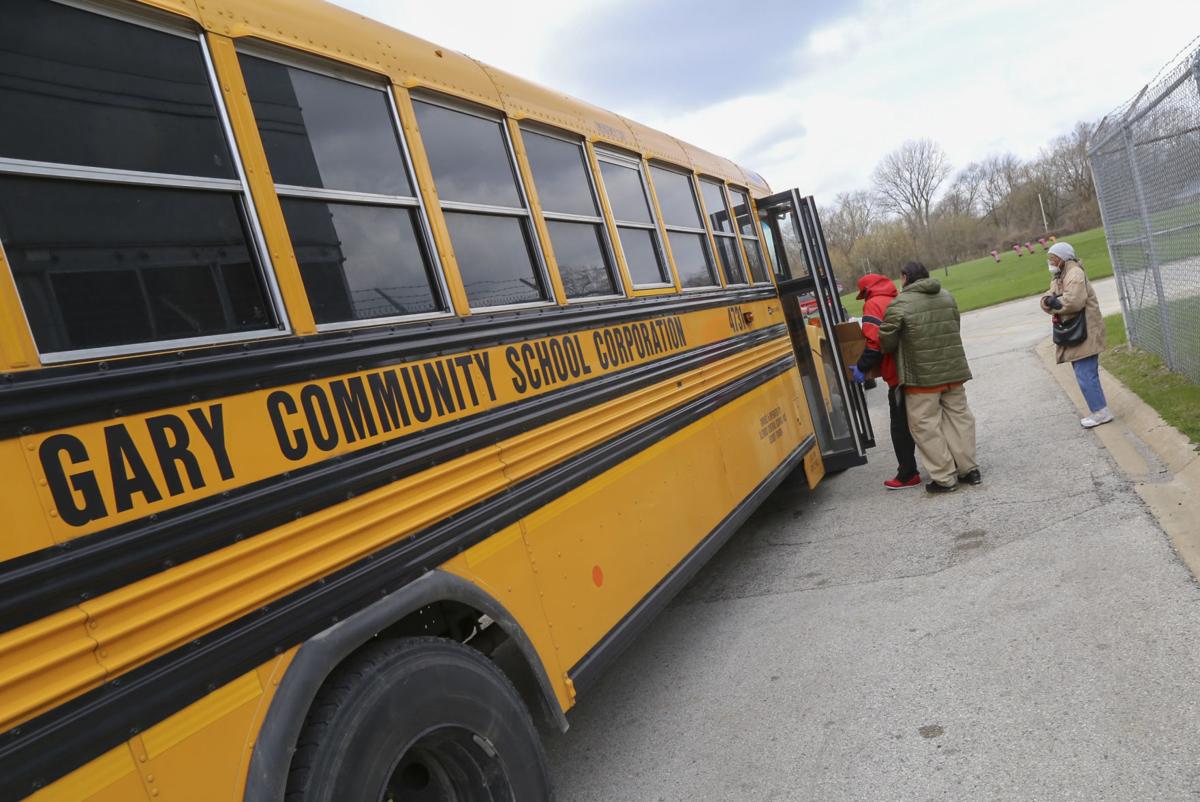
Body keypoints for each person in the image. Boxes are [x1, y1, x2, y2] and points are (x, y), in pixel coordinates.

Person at [879, 262, 980, 494]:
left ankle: (945, 478)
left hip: (921, 377)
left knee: (925, 426)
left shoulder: (900, 304)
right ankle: (969, 469)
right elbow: (955, 324)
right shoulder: (947, 296)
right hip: (953, 371)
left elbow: (887, 341)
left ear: (905, 278)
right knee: (960, 420)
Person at [849, 274, 920, 490]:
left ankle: (908, 473)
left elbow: (874, 342)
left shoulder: (873, 305)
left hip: (896, 375)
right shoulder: (897, 297)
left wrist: (861, 367)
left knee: (900, 427)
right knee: (925, 420)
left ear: (867, 290)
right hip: (915, 370)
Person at [1040, 242, 1110, 428]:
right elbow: (1049, 296)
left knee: (1085, 375)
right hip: (1077, 332)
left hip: (1086, 331)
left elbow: (1074, 302)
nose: (1050, 261)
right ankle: (1099, 410)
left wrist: (1053, 302)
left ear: (1062, 258)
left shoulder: (1075, 274)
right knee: (1085, 374)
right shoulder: (1060, 275)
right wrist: (1048, 300)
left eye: (1053, 257)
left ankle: (1101, 412)